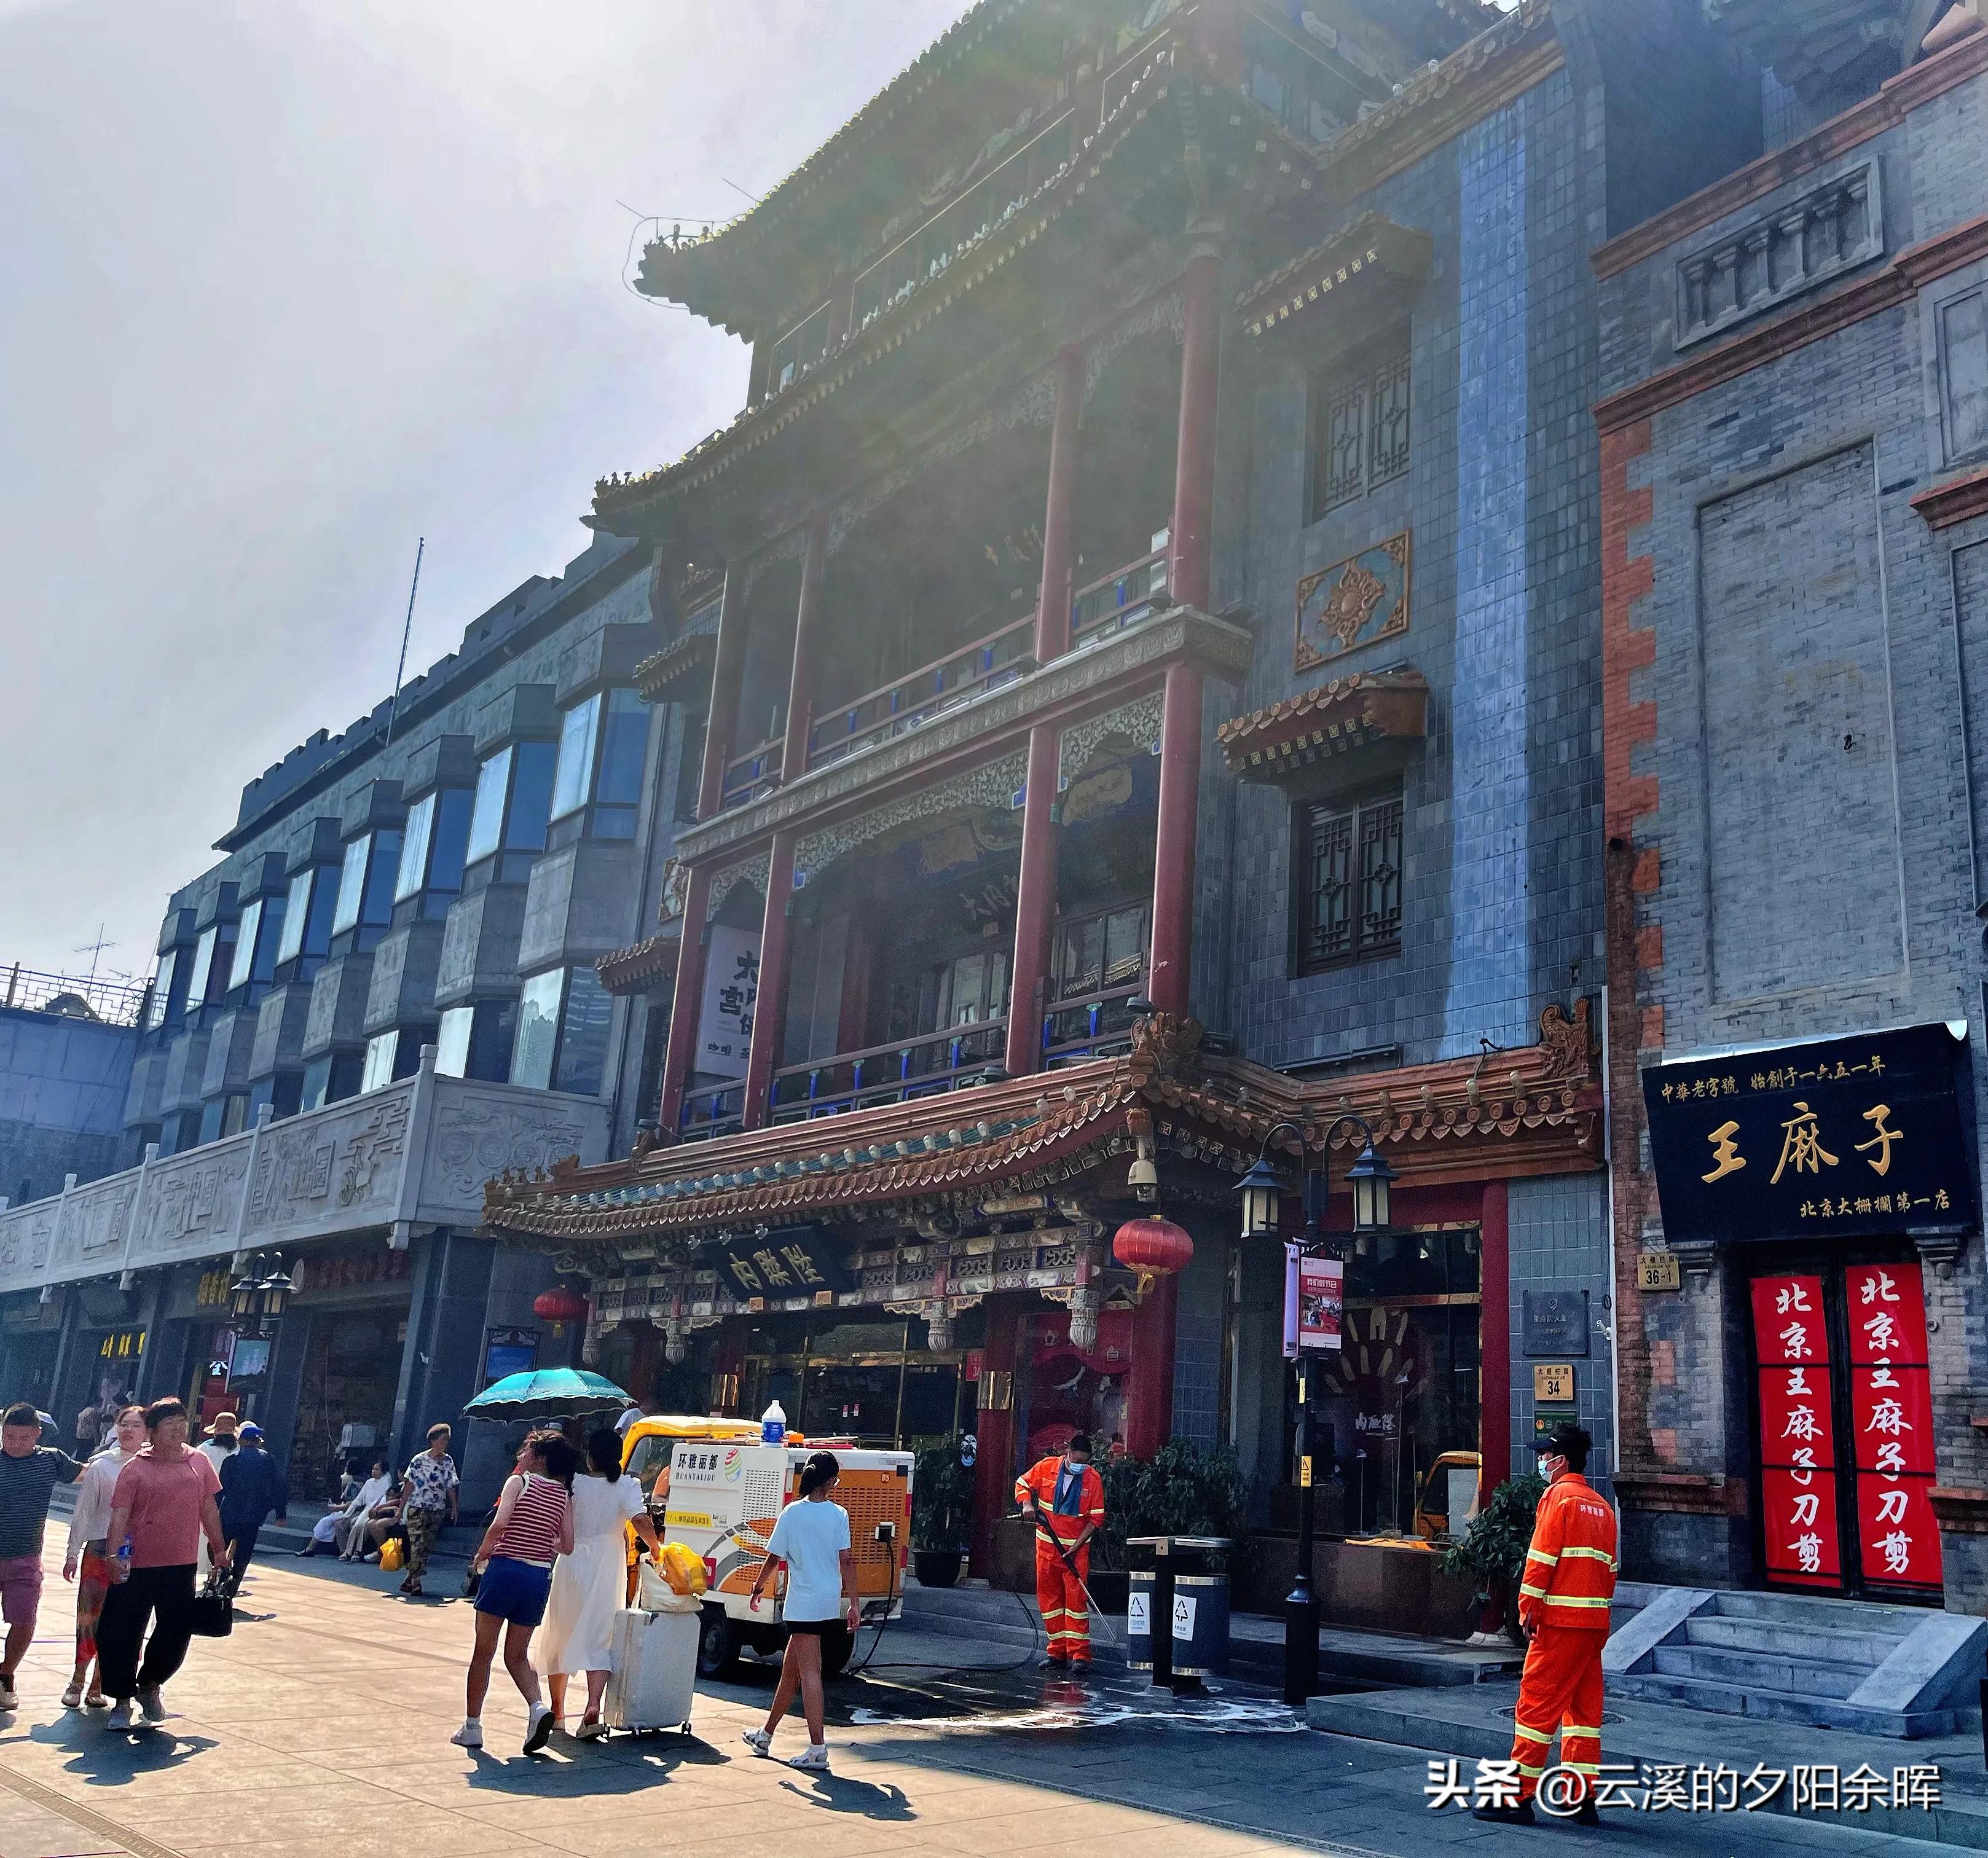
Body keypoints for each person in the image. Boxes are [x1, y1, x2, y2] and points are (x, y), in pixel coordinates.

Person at [1474, 1422, 1618, 1828]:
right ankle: (1580, 1798)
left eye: (1544, 1455)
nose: (1540, 1461)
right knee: (1583, 1716)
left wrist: (1527, 1610)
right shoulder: (1601, 1507)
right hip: (1592, 1626)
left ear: (1560, 1460)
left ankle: (1515, 1798)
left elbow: (1541, 1559)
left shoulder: (1557, 1498)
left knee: (1535, 1711)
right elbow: (1609, 1571)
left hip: (1558, 1624)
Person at [97, 1397, 229, 1731]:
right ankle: (122, 1701)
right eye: (170, 1425)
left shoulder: (198, 1462)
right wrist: (112, 1556)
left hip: (181, 1562)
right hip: (135, 1564)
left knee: (176, 1630)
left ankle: (151, 1684)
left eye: (182, 1423)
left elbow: (209, 1510)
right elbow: (120, 1516)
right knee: (122, 1631)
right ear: (152, 1432)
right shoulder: (135, 1469)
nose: (178, 1429)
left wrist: (219, 1549)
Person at [454, 1430, 575, 1754]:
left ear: (538, 1456)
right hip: (537, 1578)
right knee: (517, 1654)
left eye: (526, 1450)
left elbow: (499, 1524)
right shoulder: (563, 1495)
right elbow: (568, 1545)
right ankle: (538, 1708)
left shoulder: (519, 1484)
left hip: (505, 1569)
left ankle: (472, 1727)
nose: (520, 1455)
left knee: (484, 1650)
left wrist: (482, 1554)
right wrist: (543, 1540)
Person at [540, 1427, 662, 1738]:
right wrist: (656, 1548)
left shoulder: (574, 1484)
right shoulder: (627, 1486)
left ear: (590, 1456)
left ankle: (557, 1711)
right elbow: (640, 1520)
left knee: (561, 1631)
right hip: (607, 1563)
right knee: (602, 1634)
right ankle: (593, 1707)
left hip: (571, 1560)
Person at [742, 1451, 858, 1773]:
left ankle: (818, 1749)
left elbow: (773, 1558)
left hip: (802, 1605)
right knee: (791, 1671)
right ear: (832, 1482)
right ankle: (766, 1735)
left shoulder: (792, 1513)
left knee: (809, 1673)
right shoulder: (839, 1515)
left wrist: (757, 1586)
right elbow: (846, 1561)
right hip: (826, 1602)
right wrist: (854, 1603)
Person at [0, 1399, 83, 1709]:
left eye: (23, 1438)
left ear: (38, 1433)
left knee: (24, 1620)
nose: (16, 1444)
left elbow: (93, 1474)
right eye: (9, 1437)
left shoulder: (52, 1462)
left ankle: (6, 1675)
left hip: (25, 1557)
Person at [63, 1404, 146, 1709]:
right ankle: (77, 1677)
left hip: (138, 1556)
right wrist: (73, 1553)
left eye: (136, 1425)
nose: (128, 1430)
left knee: (125, 1622)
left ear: (147, 1432)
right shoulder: (101, 1466)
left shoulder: (154, 1465)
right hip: (99, 1551)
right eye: (124, 1424)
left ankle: (100, 1683)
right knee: (89, 1618)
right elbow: (83, 1513)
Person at [1014, 1432, 1105, 1674]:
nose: (1079, 1466)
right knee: (1049, 1602)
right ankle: (1057, 1652)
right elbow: (1022, 1483)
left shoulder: (1092, 1480)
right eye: (1076, 1461)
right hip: (1046, 1549)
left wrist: (1076, 1547)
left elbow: (1096, 1520)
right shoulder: (1046, 1468)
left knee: (1075, 1604)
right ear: (1067, 1453)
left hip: (1075, 1553)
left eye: (1084, 1463)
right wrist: (1027, 1504)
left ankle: (1080, 1656)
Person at [215, 1422, 288, 1595]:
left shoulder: (231, 1461)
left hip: (230, 1513)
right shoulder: (268, 1460)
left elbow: (219, 1489)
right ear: (258, 1442)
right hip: (253, 1516)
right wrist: (280, 1514)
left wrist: (212, 1512)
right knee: (244, 1552)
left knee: (217, 1546)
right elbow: (279, 1487)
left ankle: (223, 1572)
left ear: (241, 1441)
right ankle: (234, 1583)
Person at [399, 1422, 460, 1598]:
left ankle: (410, 1576)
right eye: (443, 1440)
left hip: (437, 1509)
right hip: (417, 1507)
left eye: (448, 1440)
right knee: (417, 1542)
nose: (446, 1443)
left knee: (426, 1545)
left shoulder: (448, 1461)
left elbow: (450, 1485)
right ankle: (416, 1582)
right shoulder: (419, 1460)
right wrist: (401, 1507)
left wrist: (454, 1506)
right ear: (434, 1441)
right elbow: (408, 1484)